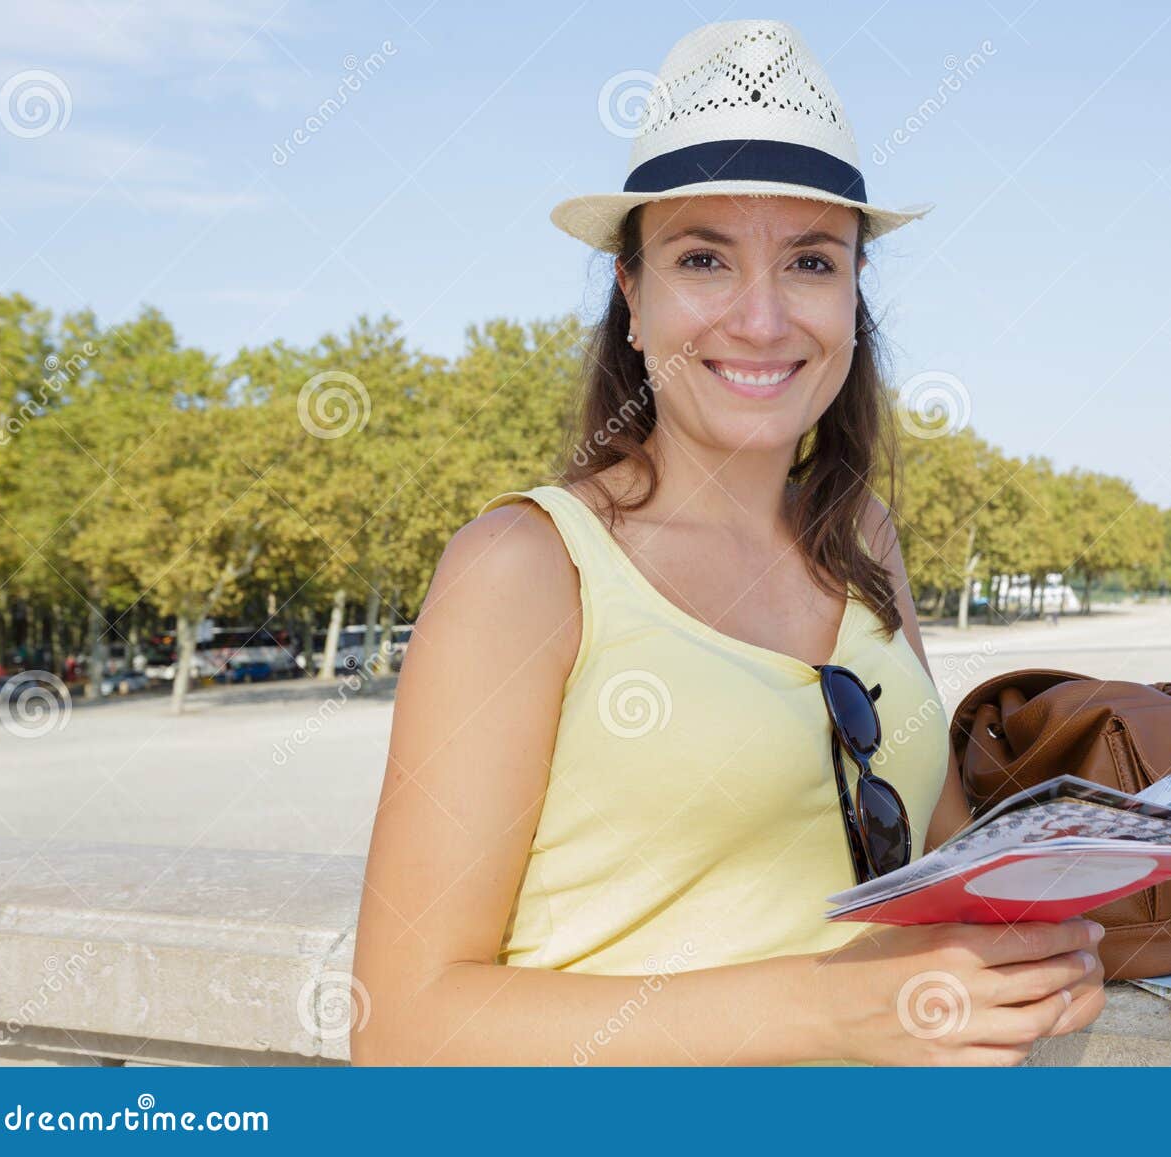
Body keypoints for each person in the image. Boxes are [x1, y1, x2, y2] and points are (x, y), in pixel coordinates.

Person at [350, 18, 1105, 1067]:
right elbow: (404, 1028)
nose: (760, 317)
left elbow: (937, 873)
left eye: (808, 260)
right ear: (633, 296)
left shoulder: (864, 541)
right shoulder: (525, 567)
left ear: (852, 296)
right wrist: (840, 1010)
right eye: (703, 257)